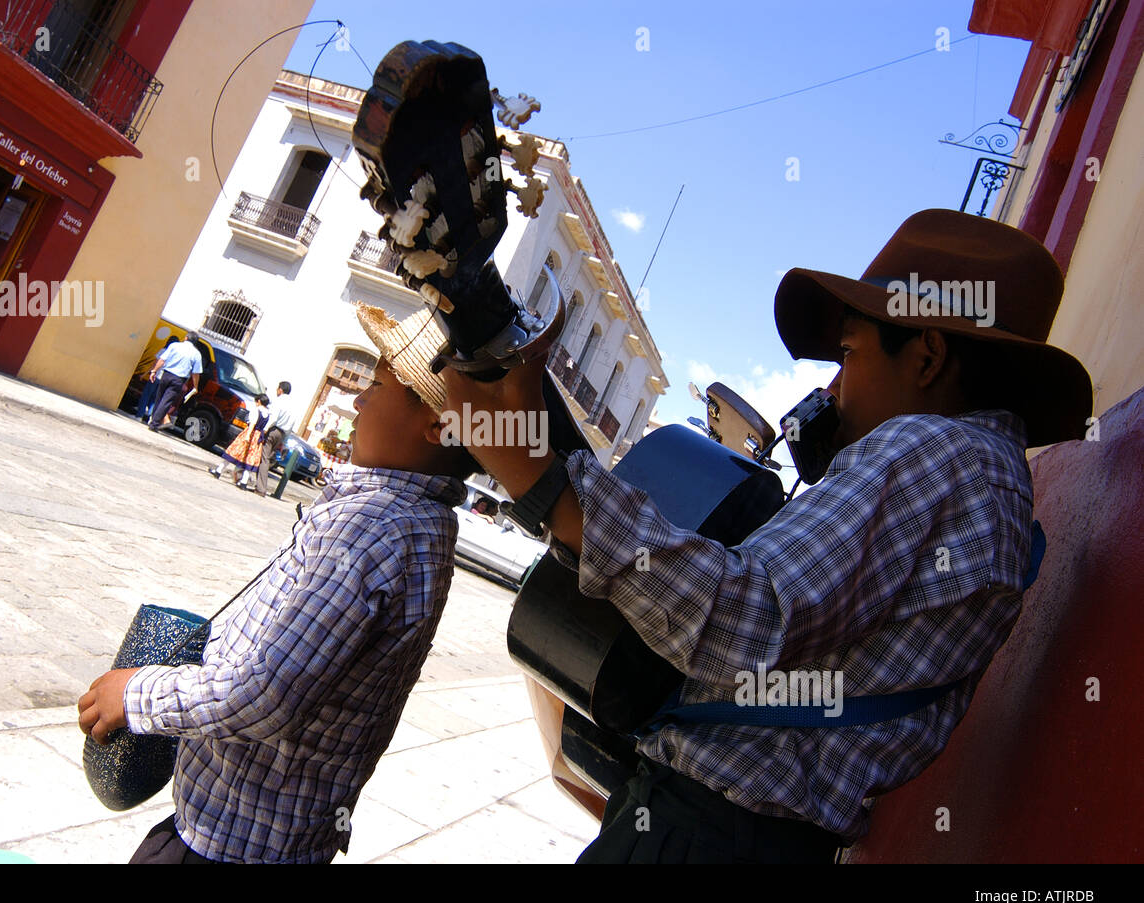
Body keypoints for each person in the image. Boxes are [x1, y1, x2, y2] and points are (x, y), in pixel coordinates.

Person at [439, 209, 1093, 863]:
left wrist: (537, 477)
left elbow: (746, 622)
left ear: (926, 356)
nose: (833, 388)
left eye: (848, 355)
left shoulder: (933, 451)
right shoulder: (993, 485)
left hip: (704, 838)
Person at [78, 302, 481, 863]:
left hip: (231, 846)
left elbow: (265, 694)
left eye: (379, 385)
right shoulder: (419, 522)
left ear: (436, 424)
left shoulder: (372, 528)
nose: (359, 399)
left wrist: (137, 694)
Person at [209, 394, 269, 488]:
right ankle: (244, 482)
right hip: (258, 437)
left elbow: (252, 424)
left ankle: (219, 470)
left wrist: (248, 435)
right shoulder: (267, 414)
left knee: (233, 452)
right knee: (250, 458)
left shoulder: (256, 411)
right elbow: (265, 429)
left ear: (259, 402)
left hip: (251, 433)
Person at [149, 332, 203, 430]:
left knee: (159, 398)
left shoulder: (174, 345)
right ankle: (154, 423)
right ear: (195, 342)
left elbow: (162, 359)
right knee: (166, 401)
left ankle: (154, 420)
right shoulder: (197, 354)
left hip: (167, 374)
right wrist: (195, 386)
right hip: (179, 379)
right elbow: (196, 373)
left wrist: (154, 371)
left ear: (186, 338)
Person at [254, 381, 294, 498]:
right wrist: (284, 441)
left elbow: (274, 418)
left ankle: (261, 488)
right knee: (266, 458)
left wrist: (265, 429)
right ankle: (255, 482)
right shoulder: (293, 405)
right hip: (282, 434)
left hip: (273, 430)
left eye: (277, 389)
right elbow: (291, 425)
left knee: (263, 458)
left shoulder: (279, 401)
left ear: (280, 389)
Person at [137, 335, 179, 422]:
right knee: (155, 399)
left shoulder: (163, 351)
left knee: (146, 395)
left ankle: (139, 415)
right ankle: (151, 418)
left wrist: (146, 373)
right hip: (165, 379)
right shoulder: (174, 356)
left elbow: (155, 364)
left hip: (155, 376)